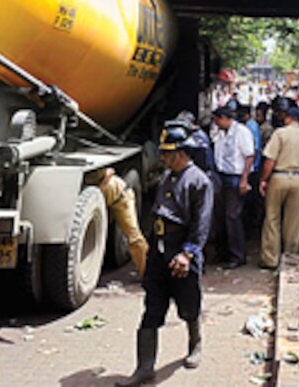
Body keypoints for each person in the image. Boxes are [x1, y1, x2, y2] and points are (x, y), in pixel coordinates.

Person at [117, 122, 213, 386]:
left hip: (182, 254)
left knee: (189, 306)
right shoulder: (166, 177)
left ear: (181, 153)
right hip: (159, 254)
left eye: (167, 153)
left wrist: (188, 254)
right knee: (151, 310)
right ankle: (144, 367)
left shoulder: (199, 182)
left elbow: (201, 224)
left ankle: (195, 345)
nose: (162, 157)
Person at [259, 103, 299, 269]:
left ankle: (270, 259)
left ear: (288, 118)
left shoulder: (279, 134)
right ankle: (290, 257)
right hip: (298, 180)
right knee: (294, 221)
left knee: (272, 218)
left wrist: (264, 180)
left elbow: (270, 160)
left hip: (279, 177)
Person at [210, 104, 256, 268]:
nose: (215, 124)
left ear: (224, 119)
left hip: (235, 178)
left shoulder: (242, 132)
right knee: (221, 216)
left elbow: (249, 156)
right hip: (222, 177)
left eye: (217, 120)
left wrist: (244, 179)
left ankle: (237, 255)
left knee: (233, 216)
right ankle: (223, 252)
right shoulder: (220, 133)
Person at [100, 167, 148, 277]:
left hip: (122, 198)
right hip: (108, 198)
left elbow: (110, 171)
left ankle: (147, 274)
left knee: (134, 238)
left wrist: (103, 183)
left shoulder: (98, 175)